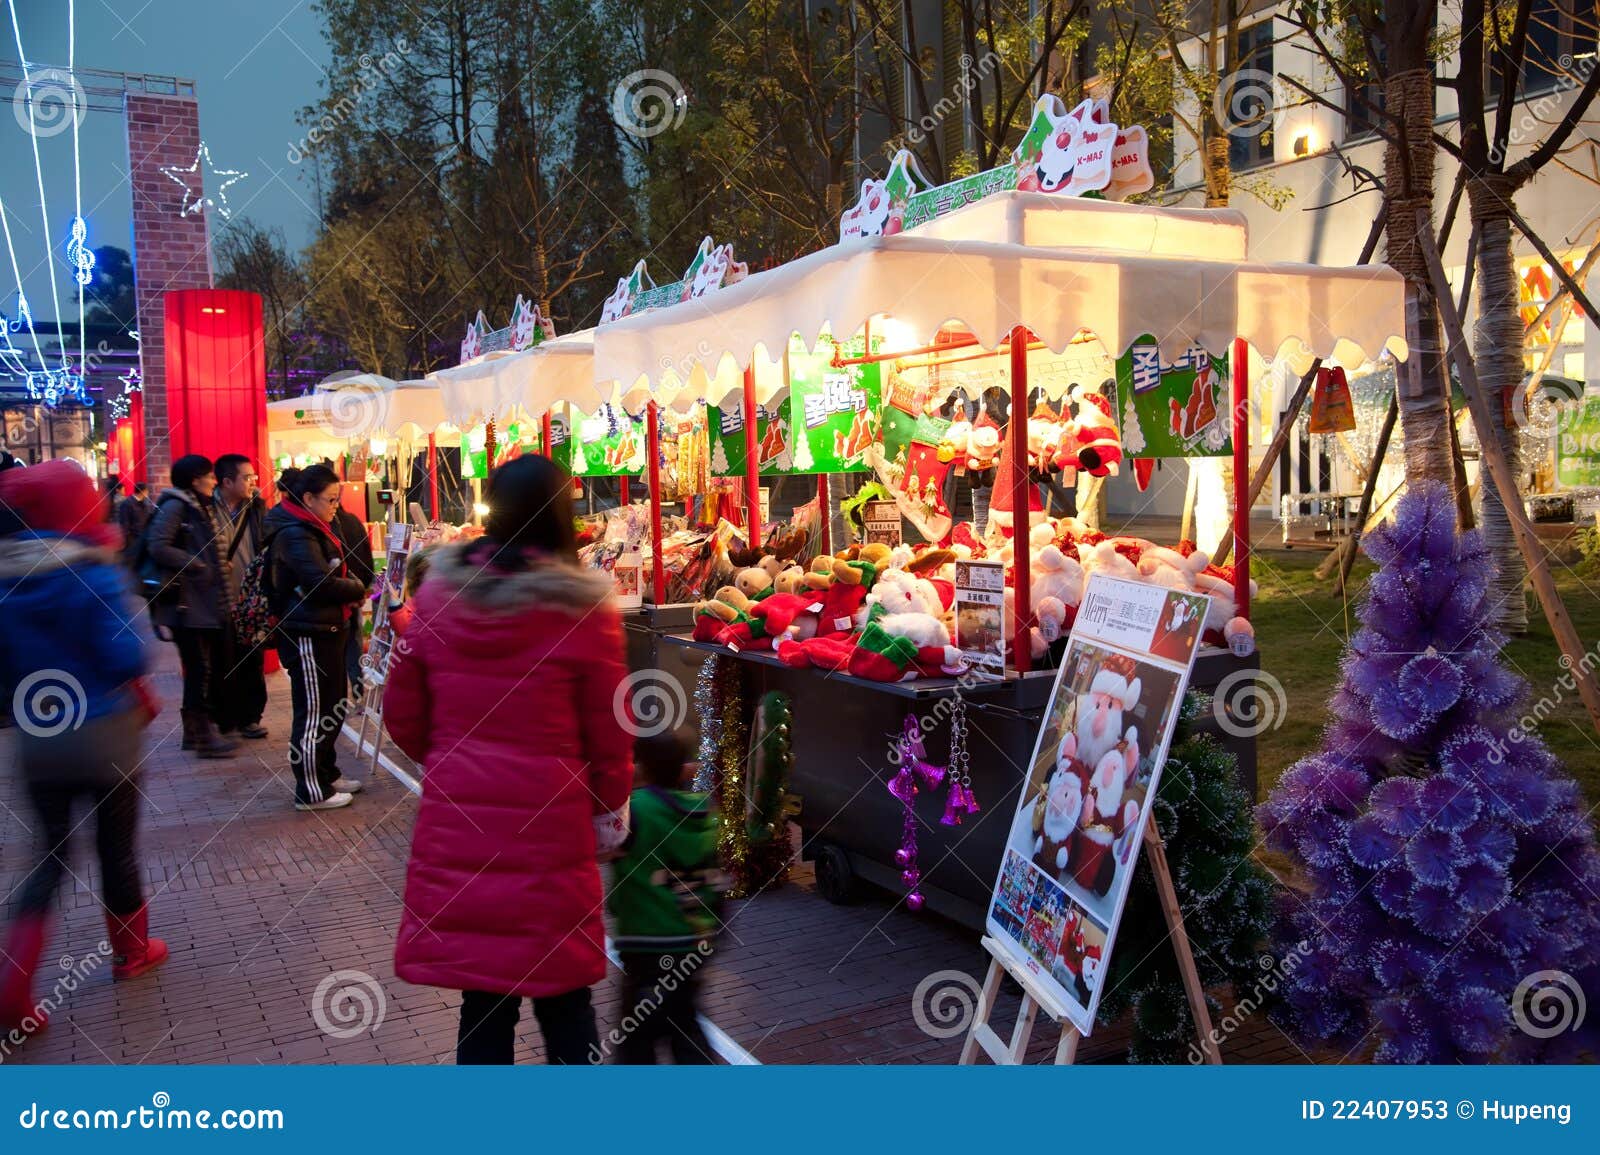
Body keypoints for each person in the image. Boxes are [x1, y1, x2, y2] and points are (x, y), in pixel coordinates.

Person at [384, 454, 631, 1065]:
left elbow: (403, 713)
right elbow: (611, 733)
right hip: (552, 827)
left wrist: (450, 762)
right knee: (565, 996)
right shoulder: (582, 608)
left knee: (484, 998)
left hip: (462, 824)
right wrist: (606, 809)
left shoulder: (439, 595)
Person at [0, 462, 168, 1035]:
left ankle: (12, 987)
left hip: (39, 737)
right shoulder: (93, 575)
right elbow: (127, 658)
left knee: (48, 857)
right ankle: (131, 953)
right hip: (105, 737)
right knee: (115, 848)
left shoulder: (6, 583)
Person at [607, 729, 724, 1064]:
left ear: (641, 768)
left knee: (635, 1040)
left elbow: (608, 848)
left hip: (647, 942)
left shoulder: (638, 809)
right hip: (692, 943)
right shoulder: (703, 812)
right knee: (684, 1027)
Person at [262, 466, 369, 811]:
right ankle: (310, 789)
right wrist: (356, 588)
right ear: (307, 499)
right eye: (331, 499)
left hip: (327, 627)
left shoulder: (313, 525)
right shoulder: (294, 532)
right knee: (313, 711)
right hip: (307, 630)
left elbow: (336, 570)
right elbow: (321, 583)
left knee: (333, 704)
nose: (336, 506)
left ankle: (326, 773)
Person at [146, 454, 238, 758]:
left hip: (200, 601)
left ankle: (195, 732)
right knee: (199, 667)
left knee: (201, 666)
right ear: (194, 478)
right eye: (209, 475)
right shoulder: (177, 505)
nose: (213, 480)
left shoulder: (197, 505)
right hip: (186, 603)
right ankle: (203, 736)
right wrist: (196, 565)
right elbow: (158, 545)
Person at [212, 454, 268, 739]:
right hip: (218, 598)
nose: (251, 482)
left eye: (252, 477)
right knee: (222, 659)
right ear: (226, 481)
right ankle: (224, 717)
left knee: (252, 657)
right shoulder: (206, 509)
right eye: (246, 477)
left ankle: (251, 717)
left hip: (251, 600)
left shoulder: (257, 507)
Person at [332, 499, 375, 696]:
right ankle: (357, 688)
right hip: (354, 591)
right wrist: (365, 585)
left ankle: (340, 692)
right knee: (354, 642)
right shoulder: (354, 521)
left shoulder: (326, 526)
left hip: (336, 594)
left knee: (337, 646)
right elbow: (367, 554)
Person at [115, 480, 155, 572]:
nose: (148, 493)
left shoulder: (144, 503)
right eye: (147, 491)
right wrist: (129, 542)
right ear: (143, 491)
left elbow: (146, 518)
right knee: (131, 565)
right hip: (133, 540)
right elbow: (125, 524)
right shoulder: (127, 504)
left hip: (142, 538)